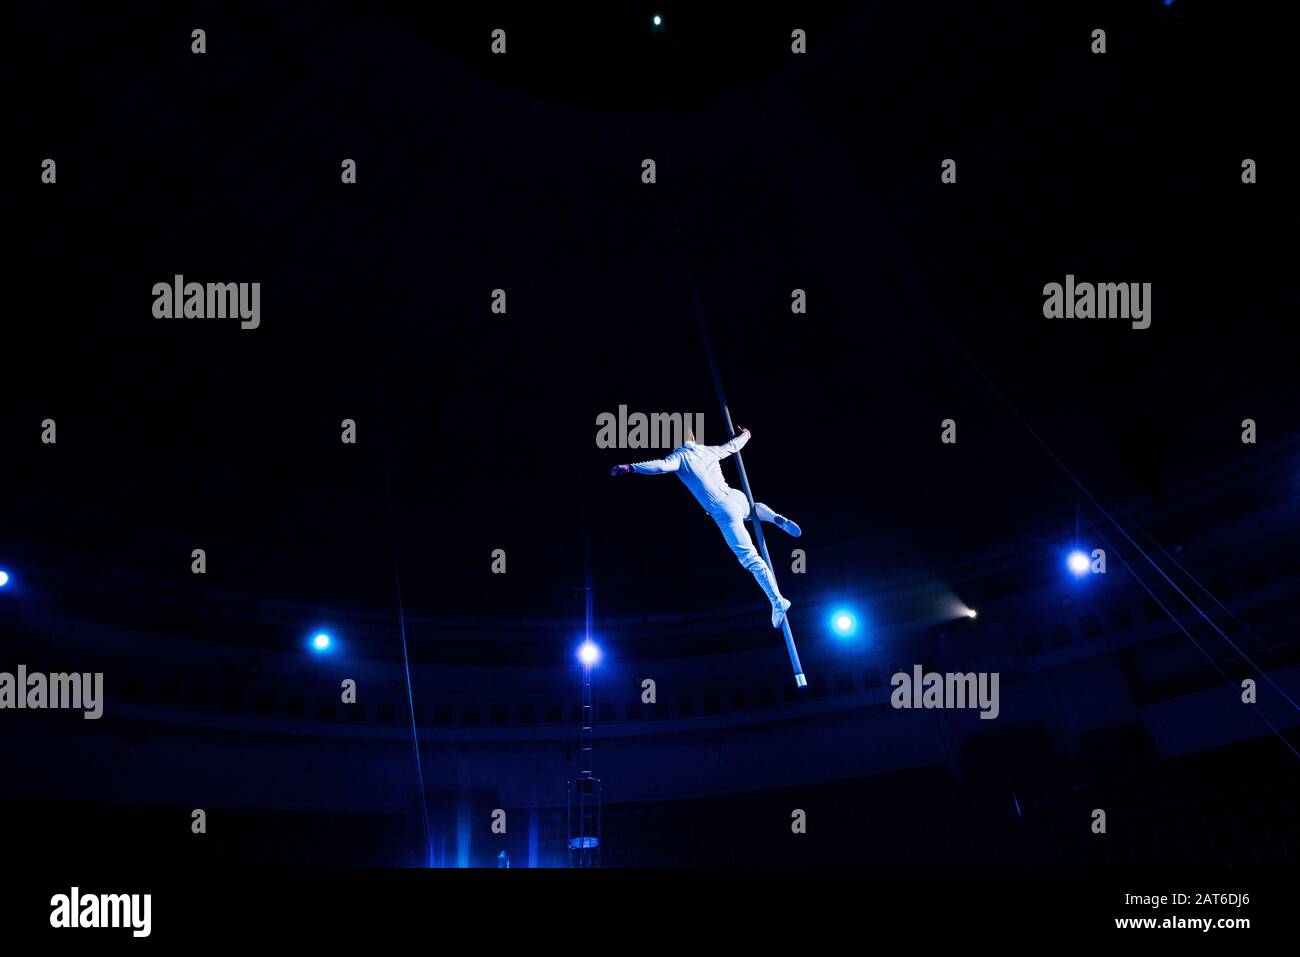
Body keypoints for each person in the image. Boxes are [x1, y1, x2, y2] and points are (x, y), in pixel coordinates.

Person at [611, 426, 801, 628]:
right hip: (735, 496)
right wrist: (746, 434)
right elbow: (731, 447)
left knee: (750, 558)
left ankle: (778, 601)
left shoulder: (679, 457)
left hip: (721, 510)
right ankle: (774, 517)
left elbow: (659, 466)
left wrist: (631, 467)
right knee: (751, 511)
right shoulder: (707, 450)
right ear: (693, 436)